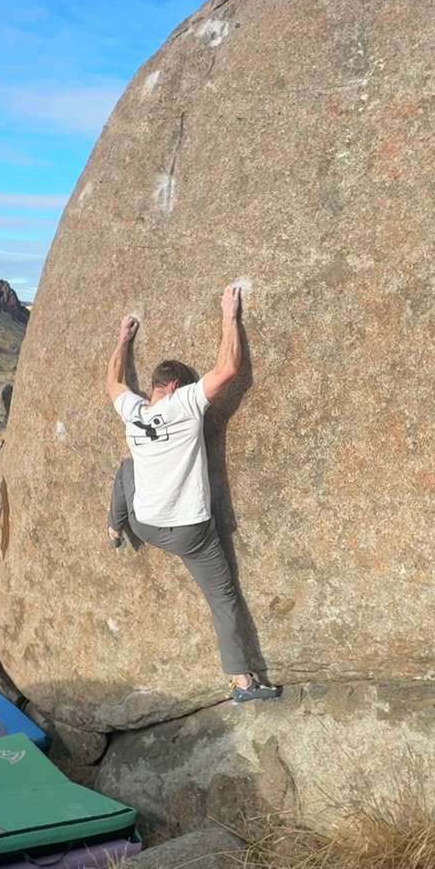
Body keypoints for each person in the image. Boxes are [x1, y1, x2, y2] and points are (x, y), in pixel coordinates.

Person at [105, 283, 279, 704]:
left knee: (128, 466)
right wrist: (228, 314)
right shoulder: (184, 404)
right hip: (188, 531)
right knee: (222, 596)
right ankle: (242, 683)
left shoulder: (134, 412)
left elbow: (111, 382)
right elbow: (230, 367)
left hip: (145, 524)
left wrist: (122, 340)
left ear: (153, 387)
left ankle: (115, 523)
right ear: (179, 385)